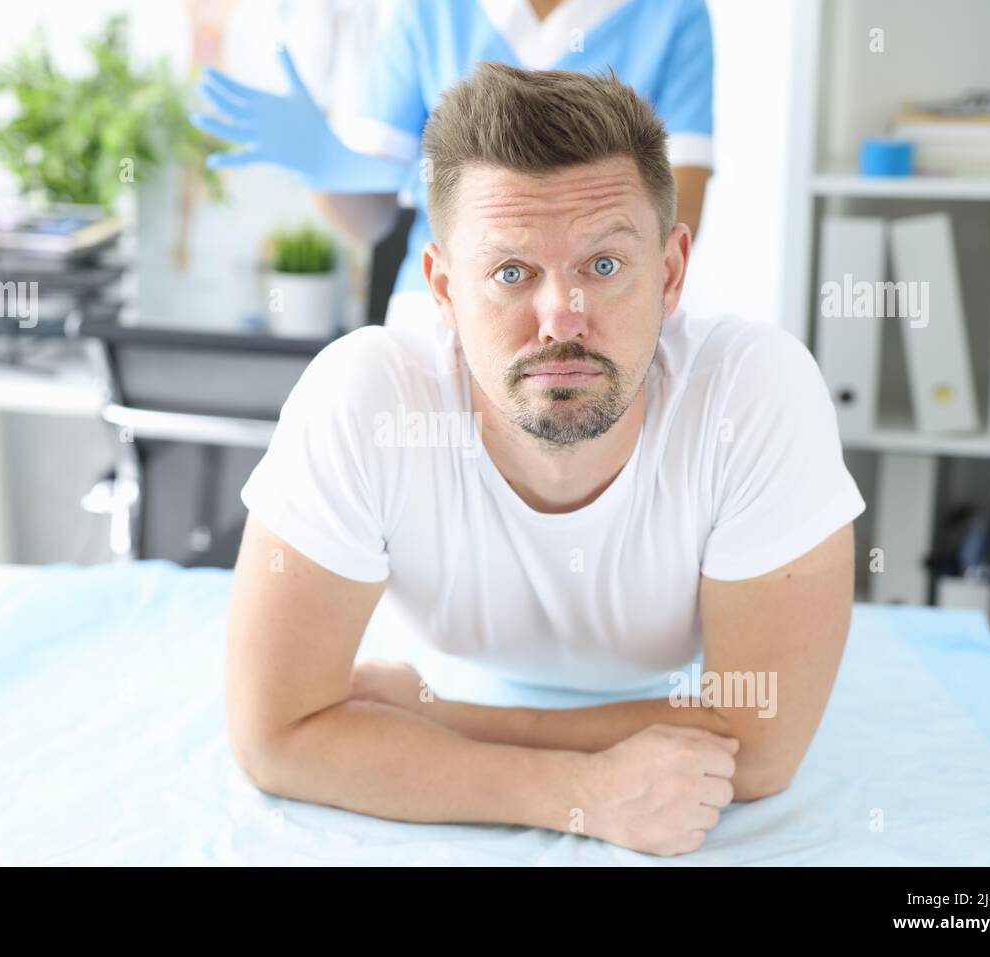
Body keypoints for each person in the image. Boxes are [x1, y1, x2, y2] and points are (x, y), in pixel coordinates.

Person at [225, 63, 865, 856]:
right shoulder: (364, 400)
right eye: (510, 272)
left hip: (437, 693)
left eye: (604, 265)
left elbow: (759, 746)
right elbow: (277, 734)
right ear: (444, 290)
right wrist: (578, 792)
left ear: (670, 273)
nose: (562, 316)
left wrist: (431, 718)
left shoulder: (754, 393)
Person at [193, 0, 713, 335]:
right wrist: (326, 168)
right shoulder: (432, 10)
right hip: (434, 322)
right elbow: (370, 220)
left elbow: (673, 217)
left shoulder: (671, 13)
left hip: (590, 323)